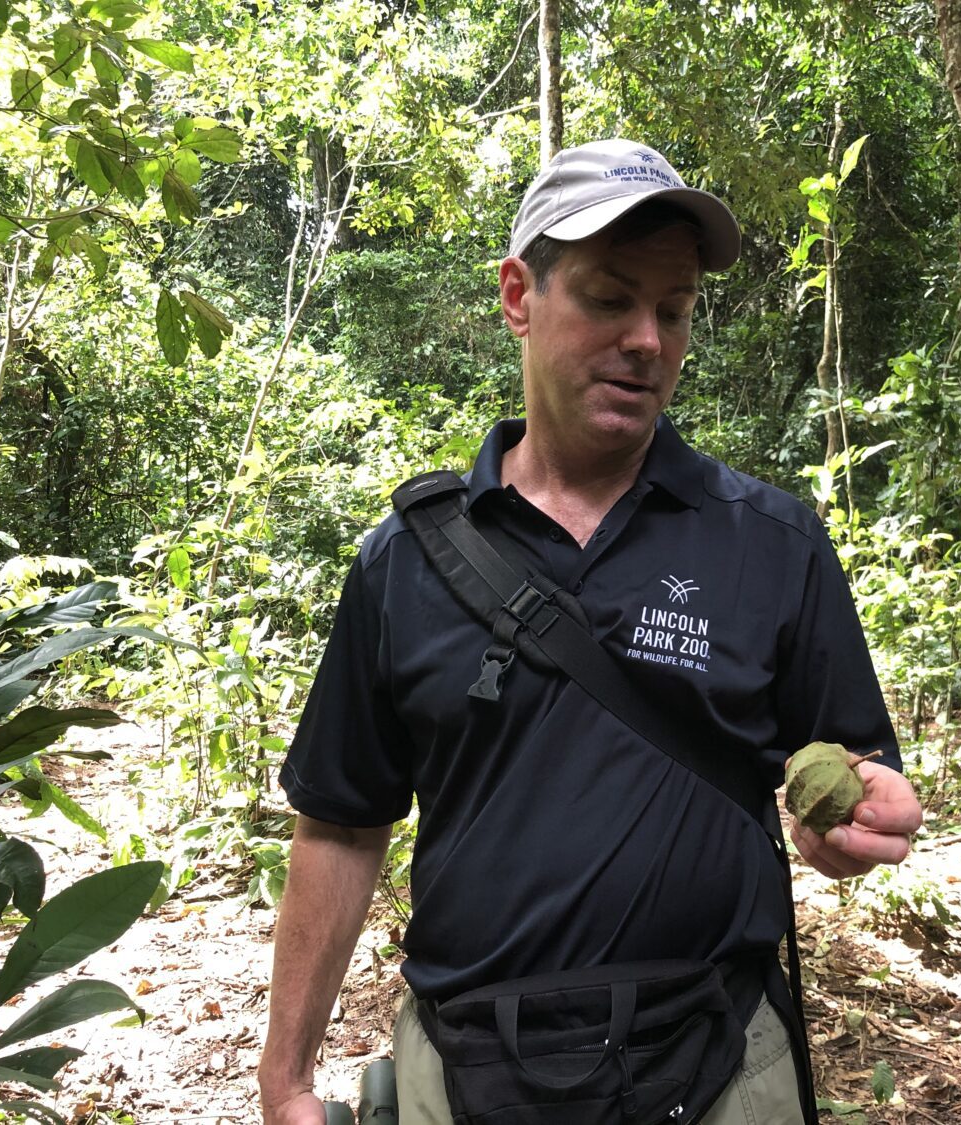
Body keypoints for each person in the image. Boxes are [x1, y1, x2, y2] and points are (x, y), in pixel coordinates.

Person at [258, 138, 924, 1125]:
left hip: (721, 1060)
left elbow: (857, 770)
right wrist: (288, 1081)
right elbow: (342, 824)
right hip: (468, 1065)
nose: (648, 340)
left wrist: (861, 820)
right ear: (519, 295)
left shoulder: (771, 542)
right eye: (611, 299)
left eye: (674, 309)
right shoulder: (407, 559)